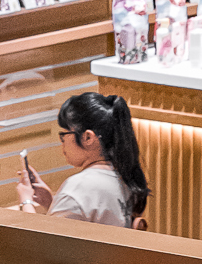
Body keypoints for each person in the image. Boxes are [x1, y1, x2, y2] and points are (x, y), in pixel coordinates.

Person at [16, 91, 151, 228]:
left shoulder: (77, 189)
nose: (62, 142)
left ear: (88, 138)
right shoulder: (124, 178)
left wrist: (26, 200)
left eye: (64, 134)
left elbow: (41, 239)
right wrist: (51, 203)